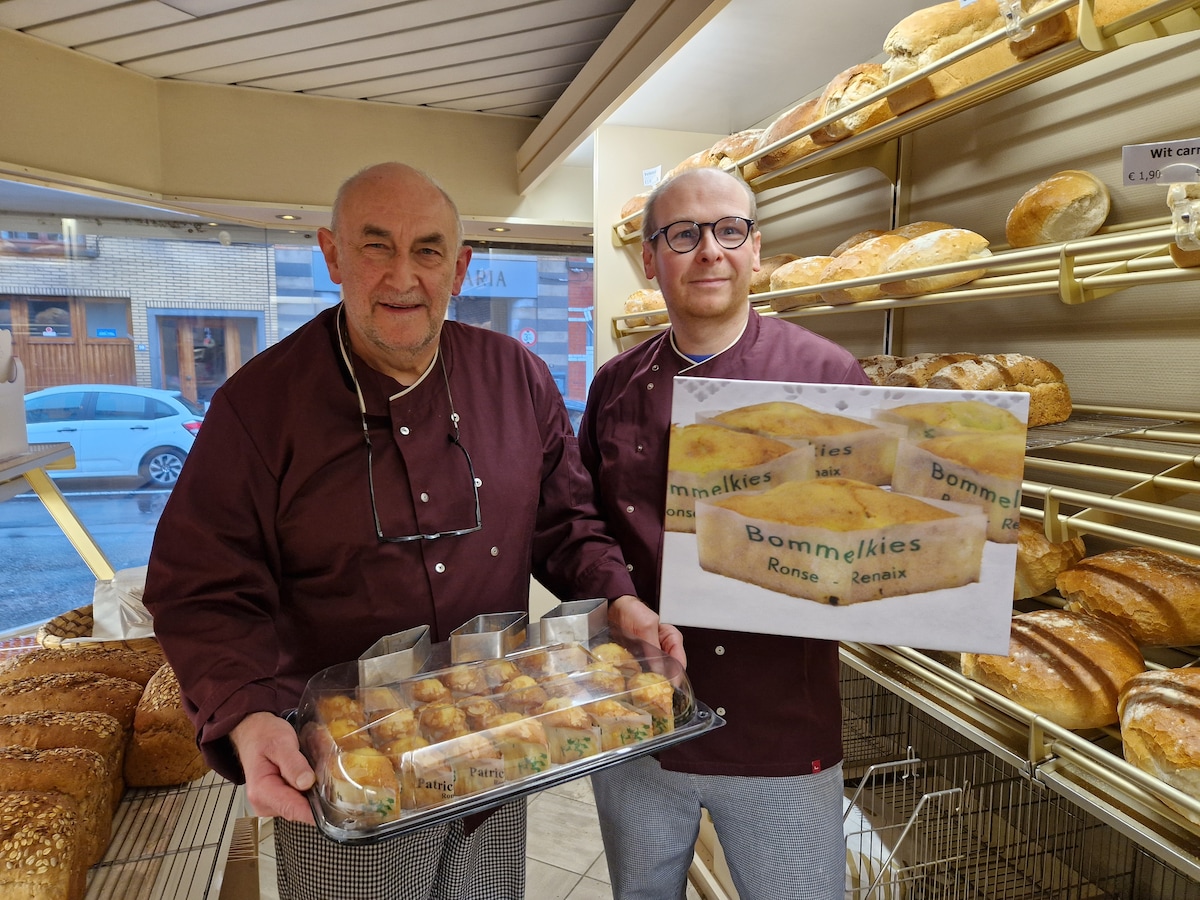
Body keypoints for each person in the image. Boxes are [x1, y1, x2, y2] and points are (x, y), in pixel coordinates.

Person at [142, 162, 677, 900]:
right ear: (331, 255)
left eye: (427, 250)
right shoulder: (259, 408)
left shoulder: (515, 376)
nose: (403, 276)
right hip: (349, 779)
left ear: (459, 267)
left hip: (494, 757)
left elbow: (567, 523)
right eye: (375, 248)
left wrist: (615, 599)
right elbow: (201, 587)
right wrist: (246, 714)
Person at [579, 165, 871, 900]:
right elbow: (580, 522)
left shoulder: (828, 375)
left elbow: (869, 533)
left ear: (755, 249)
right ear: (651, 260)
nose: (709, 250)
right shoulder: (615, 386)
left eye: (728, 230)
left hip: (781, 729)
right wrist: (615, 596)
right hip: (641, 719)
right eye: (684, 233)